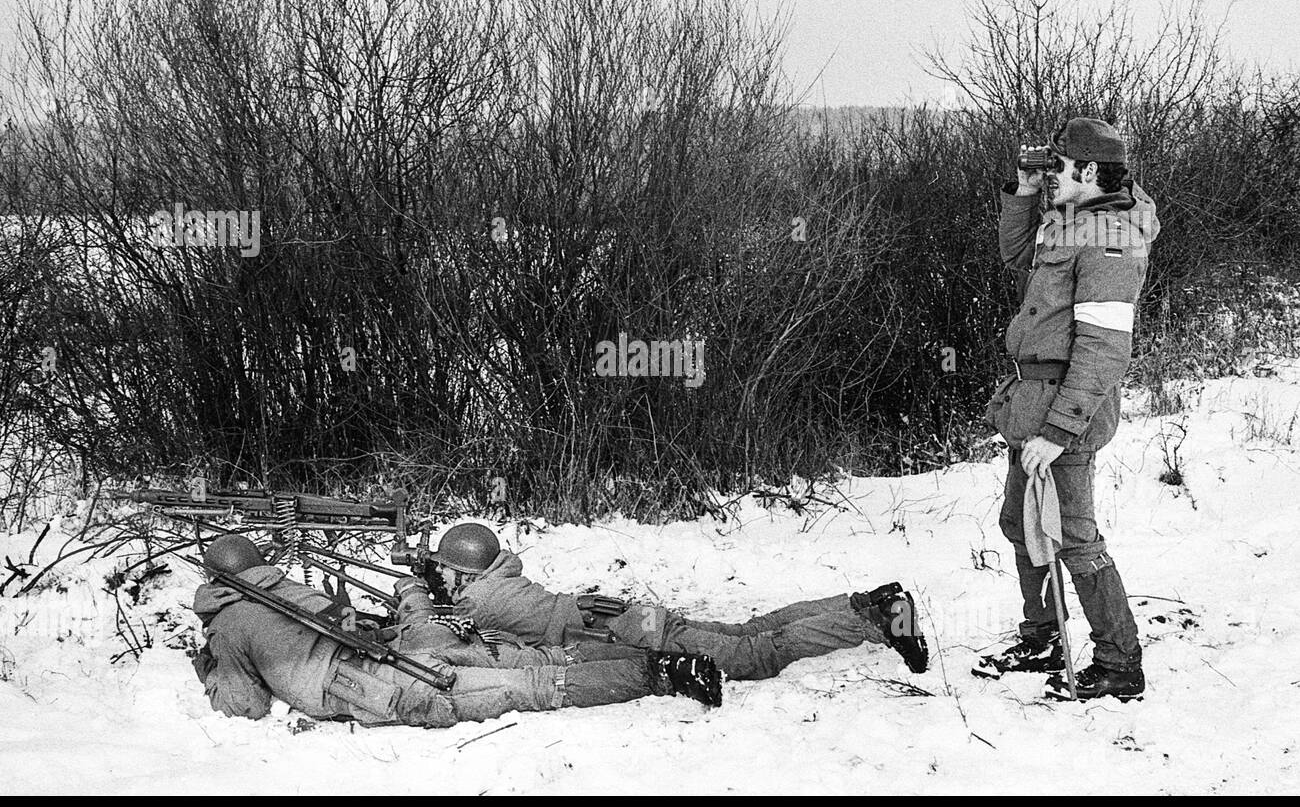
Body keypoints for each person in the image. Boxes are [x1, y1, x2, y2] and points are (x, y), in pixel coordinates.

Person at [975, 116, 1159, 700]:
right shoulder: (1074, 223)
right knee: (1019, 524)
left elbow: (1105, 348)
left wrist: (1058, 430)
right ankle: (1045, 636)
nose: (1049, 174)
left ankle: (1119, 664)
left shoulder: (1110, 241)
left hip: (1064, 412)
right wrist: (1025, 196)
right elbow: (1015, 260)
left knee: (1075, 537)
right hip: (1033, 402)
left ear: (1087, 171)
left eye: (1057, 167)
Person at [190, 534, 722, 728]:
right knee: (533, 665)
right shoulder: (285, 588)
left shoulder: (232, 623)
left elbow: (244, 706)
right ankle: (657, 665)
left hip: (372, 682)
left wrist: (211, 670)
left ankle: (657, 674)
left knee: (528, 689)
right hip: (406, 645)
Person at [423, 522, 929, 680]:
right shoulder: (499, 582)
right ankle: (863, 602)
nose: (440, 576)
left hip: (628, 630)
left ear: (465, 572)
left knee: (756, 655)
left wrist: (411, 579)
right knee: (746, 630)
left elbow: (431, 616)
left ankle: (875, 620)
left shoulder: (483, 600)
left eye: (446, 569)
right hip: (625, 619)